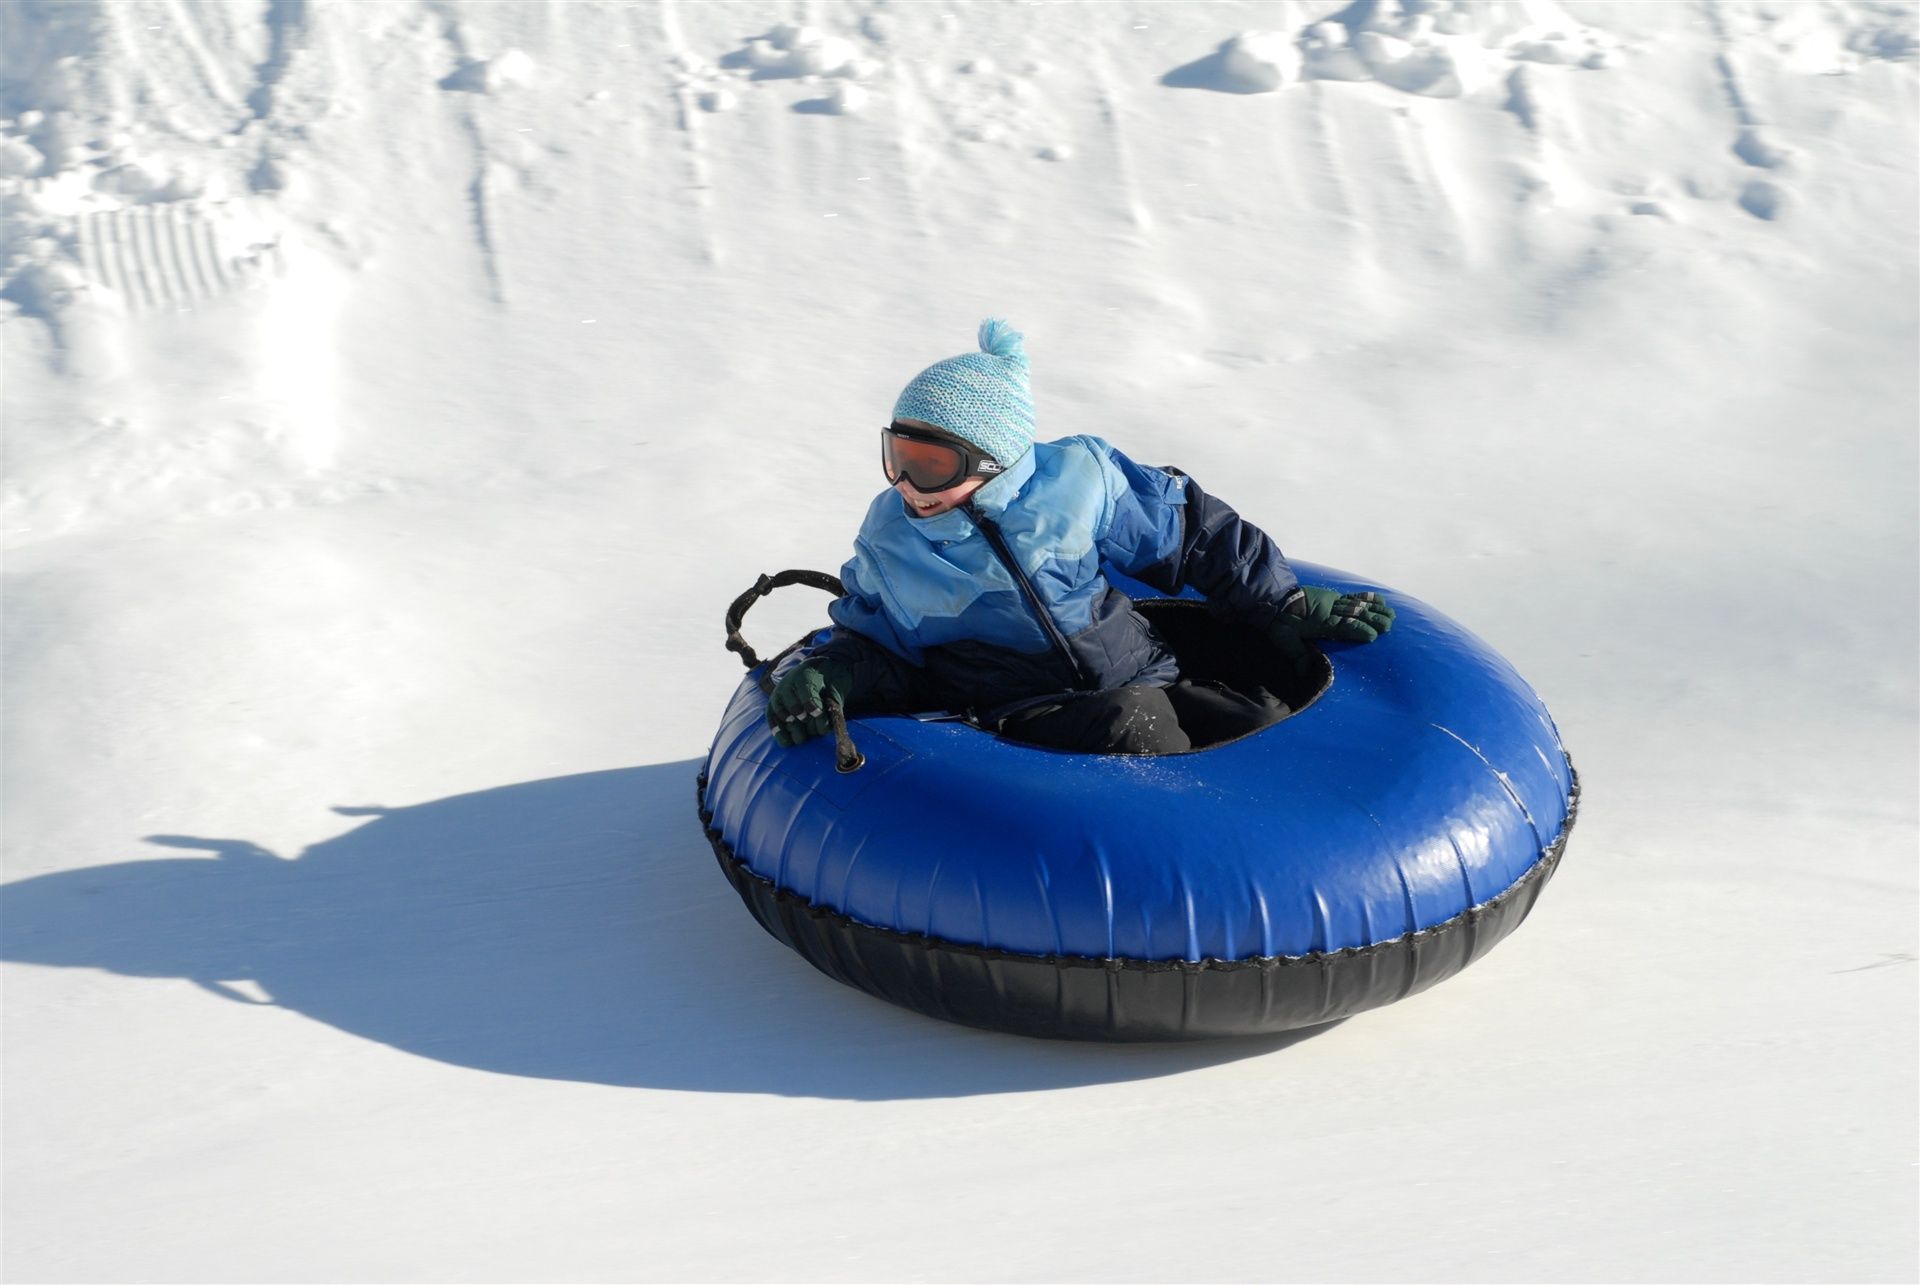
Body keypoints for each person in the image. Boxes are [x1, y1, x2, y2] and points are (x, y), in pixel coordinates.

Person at [767, 319, 1393, 755]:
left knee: (1255, 718)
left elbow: (1193, 533)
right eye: (895, 455)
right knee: (1134, 724)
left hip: (1147, 672)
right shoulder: (894, 542)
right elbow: (880, 642)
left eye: (930, 464)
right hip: (1026, 709)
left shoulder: (1079, 483)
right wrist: (836, 674)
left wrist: (1282, 602)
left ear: (997, 460)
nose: (906, 482)